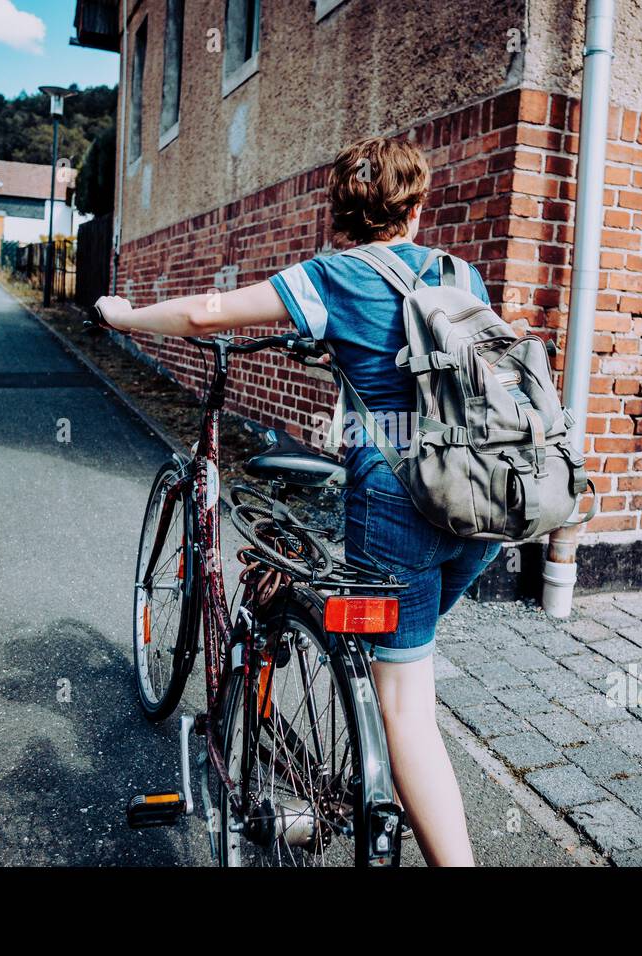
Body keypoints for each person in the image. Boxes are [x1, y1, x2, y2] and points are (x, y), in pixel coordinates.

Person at [95, 136, 498, 867]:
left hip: (398, 502)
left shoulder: (334, 276)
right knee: (404, 677)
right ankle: (367, 758)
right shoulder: (460, 273)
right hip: (482, 504)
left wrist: (123, 316)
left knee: (405, 710)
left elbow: (206, 315)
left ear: (341, 210)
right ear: (415, 206)